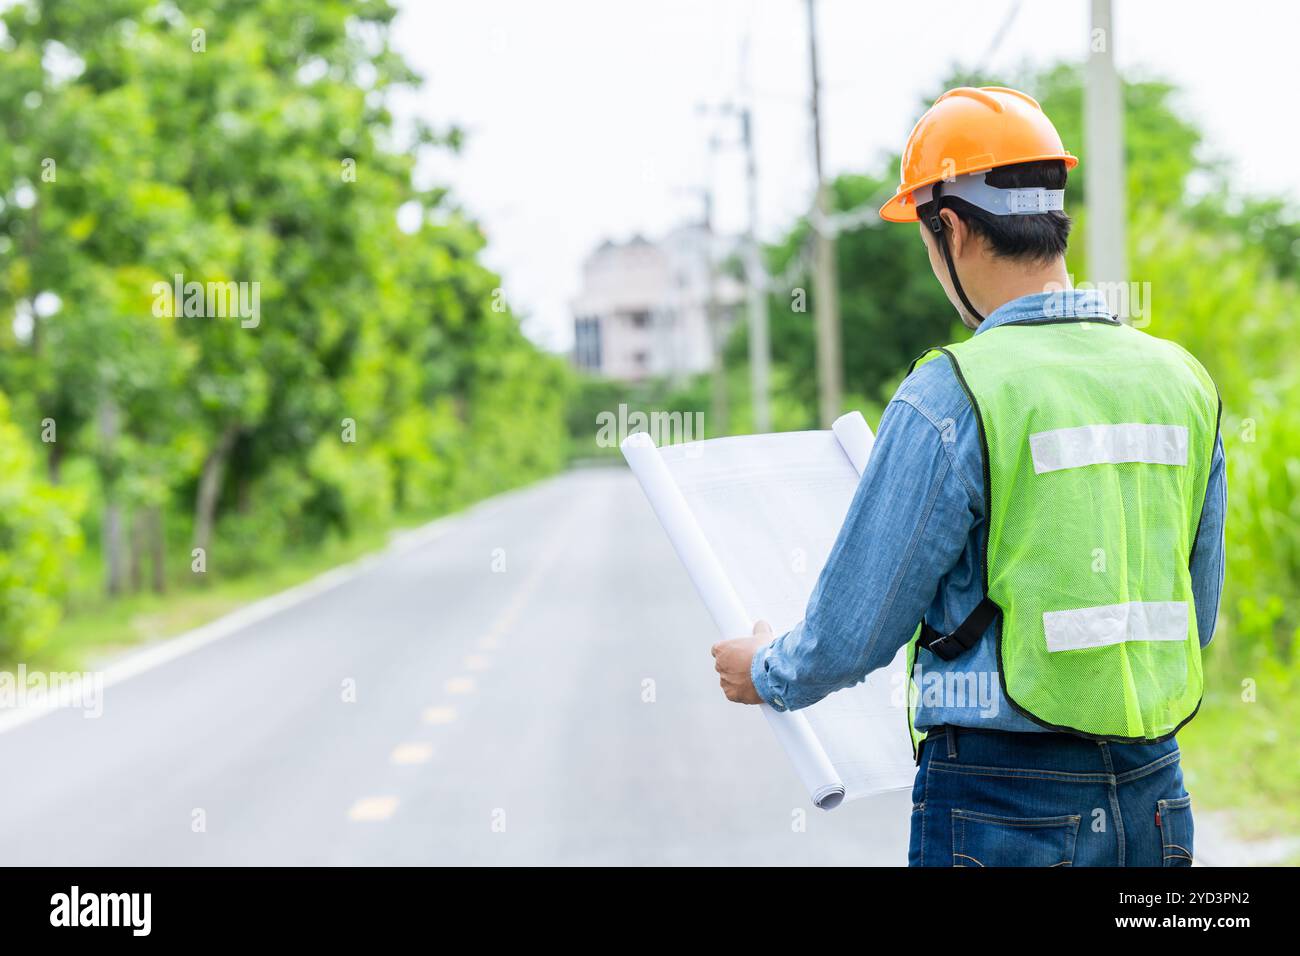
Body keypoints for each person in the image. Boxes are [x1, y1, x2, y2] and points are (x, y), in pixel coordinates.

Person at [710, 86, 1226, 867]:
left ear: (948, 227)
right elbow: (1198, 605)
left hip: (1001, 808)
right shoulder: (1181, 380)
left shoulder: (951, 392)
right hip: (1157, 796)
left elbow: (855, 631)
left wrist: (769, 671)